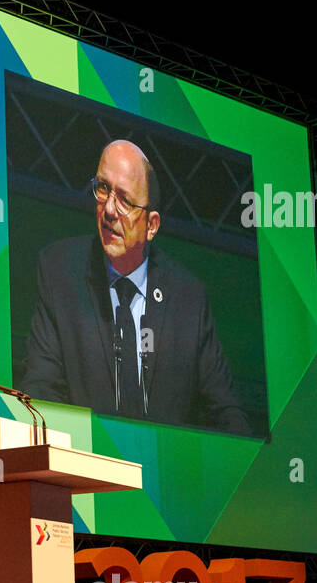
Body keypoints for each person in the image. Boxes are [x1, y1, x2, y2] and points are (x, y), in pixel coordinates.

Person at [20, 139, 250, 434]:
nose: (109, 210)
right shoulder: (60, 270)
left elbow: (226, 411)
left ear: (152, 226)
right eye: (103, 188)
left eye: (126, 201)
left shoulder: (188, 298)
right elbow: (40, 389)